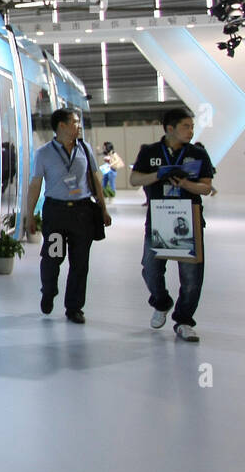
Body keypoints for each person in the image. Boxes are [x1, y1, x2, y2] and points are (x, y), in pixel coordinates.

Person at [128, 108, 214, 343]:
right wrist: (158, 175)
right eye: (186, 126)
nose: (190, 130)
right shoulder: (149, 152)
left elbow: (206, 187)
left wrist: (186, 183)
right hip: (158, 218)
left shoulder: (198, 153)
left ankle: (184, 321)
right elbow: (134, 179)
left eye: (191, 126)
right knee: (151, 268)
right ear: (170, 129)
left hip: (188, 219)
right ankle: (161, 301)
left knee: (191, 275)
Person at [24, 108, 113, 324]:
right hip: (56, 214)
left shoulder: (85, 149)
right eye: (74, 122)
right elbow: (35, 185)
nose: (78, 126)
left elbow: (95, 179)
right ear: (61, 126)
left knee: (80, 262)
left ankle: (74, 307)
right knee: (53, 257)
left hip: (82, 213)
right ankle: (48, 290)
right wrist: (30, 215)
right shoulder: (44, 153)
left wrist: (103, 209)